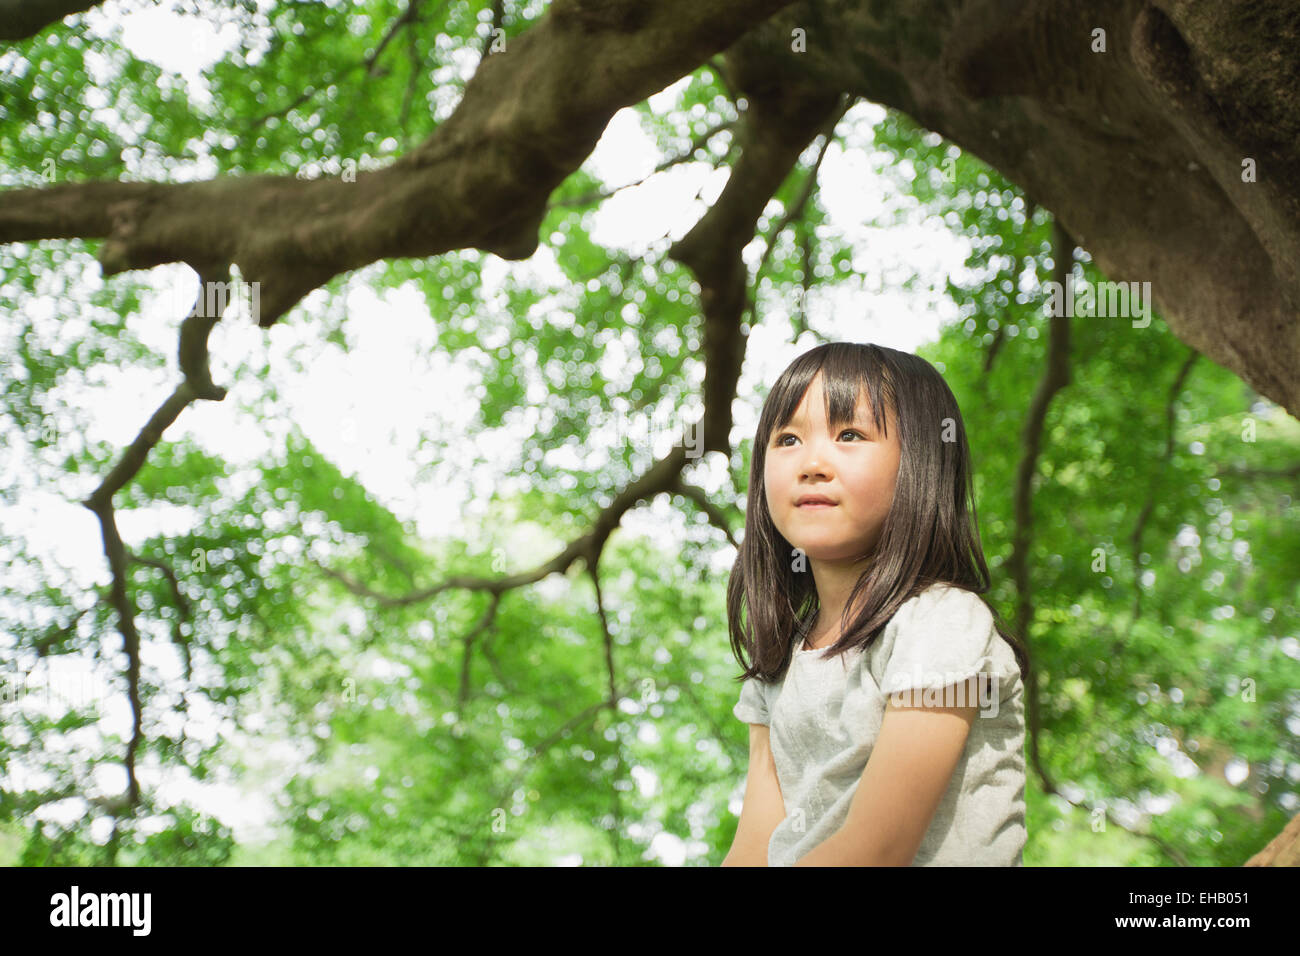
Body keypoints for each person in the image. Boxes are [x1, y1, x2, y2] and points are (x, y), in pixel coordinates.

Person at [720, 342, 1030, 867]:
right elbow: (753, 846)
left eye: (850, 435)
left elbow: (877, 849)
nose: (812, 463)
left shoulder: (940, 621)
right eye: (788, 439)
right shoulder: (777, 661)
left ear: (921, 463)